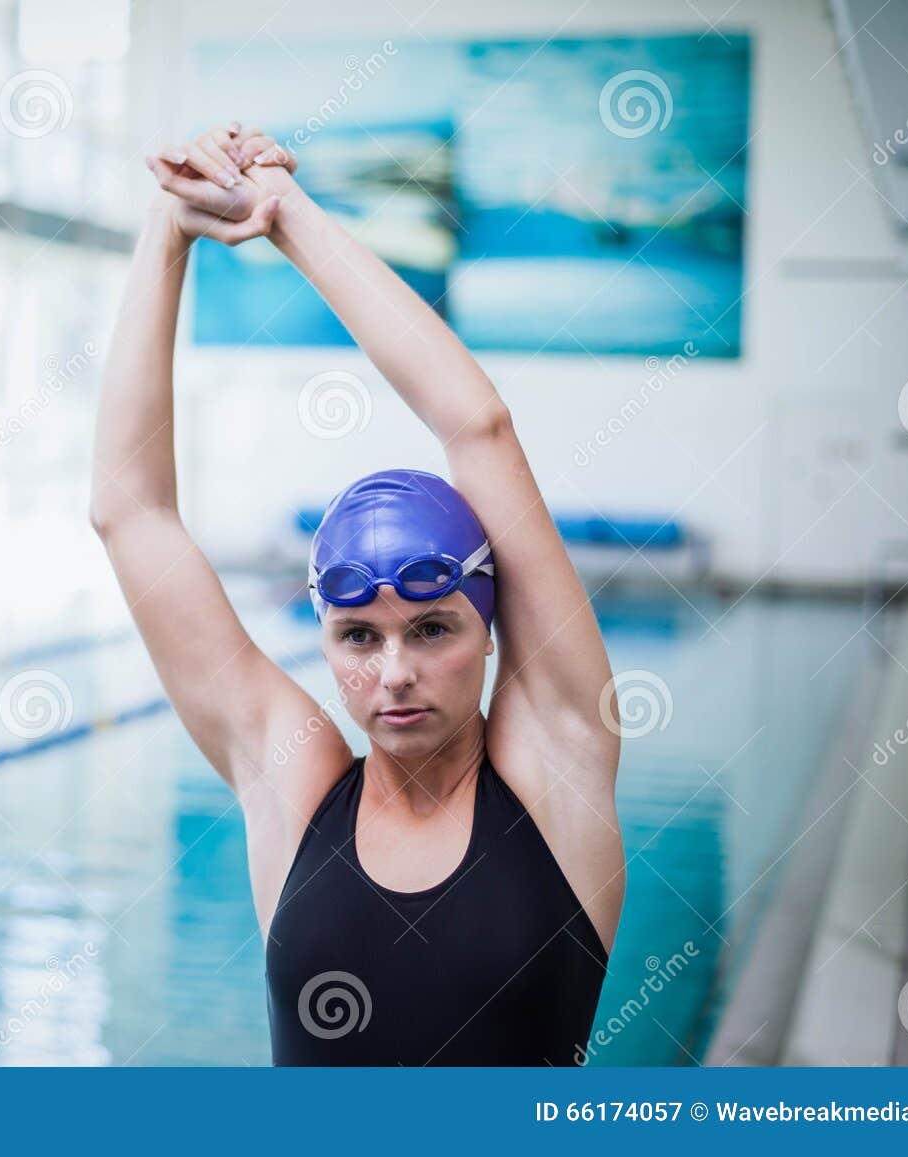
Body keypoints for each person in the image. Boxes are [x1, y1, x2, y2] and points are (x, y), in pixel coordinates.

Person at [88, 121, 625, 1066]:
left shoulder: (557, 771)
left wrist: (286, 215)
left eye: (432, 628)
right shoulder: (291, 788)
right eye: (359, 638)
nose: (397, 674)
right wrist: (166, 233)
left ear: (491, 627)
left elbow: (479, 428)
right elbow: (129, 514)